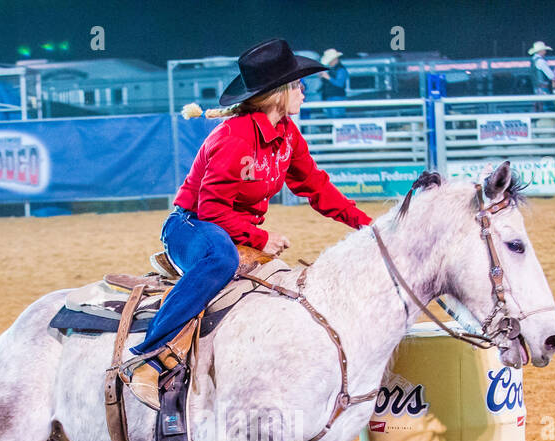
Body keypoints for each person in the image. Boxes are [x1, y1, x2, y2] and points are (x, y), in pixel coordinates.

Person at [124, 38, 372, 403]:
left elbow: (316, 187)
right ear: (278, 93)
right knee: (220, 259)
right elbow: (210, 208)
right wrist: (258, 237)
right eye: (297, 84)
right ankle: (149, 359)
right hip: (191, 227)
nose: (304, 90)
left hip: (230, 229)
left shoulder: (287, 134)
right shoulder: (235, 137)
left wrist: (368, 227)